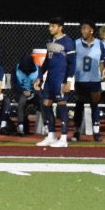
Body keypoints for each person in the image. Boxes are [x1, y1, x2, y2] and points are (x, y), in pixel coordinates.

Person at [36, 18, 74, 148]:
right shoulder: (50, 41)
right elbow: (47, 61)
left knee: (61, 106)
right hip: (50, 79)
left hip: (61, 79)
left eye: (53, 26)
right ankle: (51, 135)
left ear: (60, 27)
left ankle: (63, 138)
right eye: (50, 26)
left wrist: (68, 81)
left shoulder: (68, 42)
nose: (50, 28)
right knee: (46, 104)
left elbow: (72, 63)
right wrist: (40, 77)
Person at [72, 22, 105, 140]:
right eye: (81, 29)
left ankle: (96, 133)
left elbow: (103, 62)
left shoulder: (101, 44)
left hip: (94, 80)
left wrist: (104, 72)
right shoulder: (75, 44)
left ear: (92, 30)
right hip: (80, 80)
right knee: (79, 106)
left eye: (85, 28)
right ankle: (76, 132)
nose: (83, 31)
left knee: (95, 106)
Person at [11, 54, 42, 136]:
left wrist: (33, 91)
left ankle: (46, 126)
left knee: (42, 100)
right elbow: (13, 84)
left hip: (34, 93)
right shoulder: (16, 68)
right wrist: (22, 91)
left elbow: (40, 83)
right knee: (22, 101)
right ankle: (20, 126)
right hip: (21, 93)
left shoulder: (38, 68)